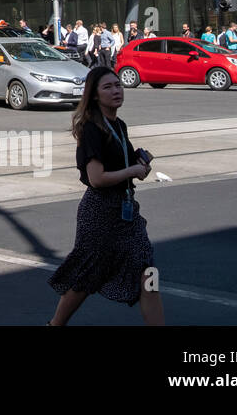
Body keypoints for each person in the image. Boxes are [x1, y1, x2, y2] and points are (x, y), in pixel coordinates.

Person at [48, 66, 162, 325]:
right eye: (108, 87)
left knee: (149, 270)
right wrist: (132, 170)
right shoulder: (92, 128)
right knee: (87, 276)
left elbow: (126, 163)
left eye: (118, 85)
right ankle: (55, 324)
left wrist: (140, 165)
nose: (116, 91)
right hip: (100, 212)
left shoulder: (119, 125)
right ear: (95, 95)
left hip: (126, 211)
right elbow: (97, 178)